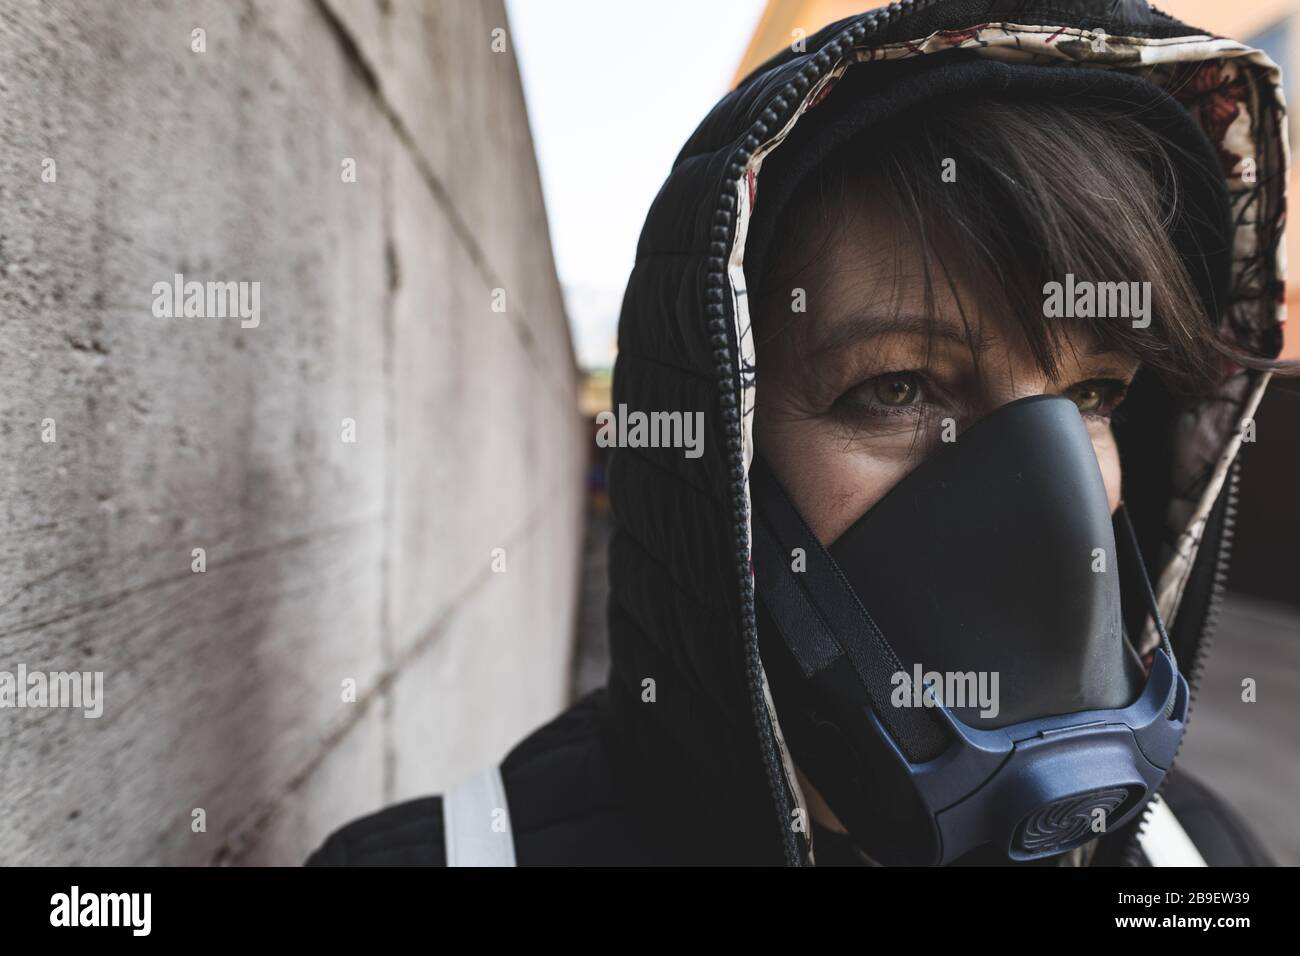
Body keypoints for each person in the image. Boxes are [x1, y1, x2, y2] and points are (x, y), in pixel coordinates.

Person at [307, 0, 1289, 866]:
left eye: (1092, 393)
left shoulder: (1193, 852)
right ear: (721, 463)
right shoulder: (465, 854)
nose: (1048, 498)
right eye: (897, 386)